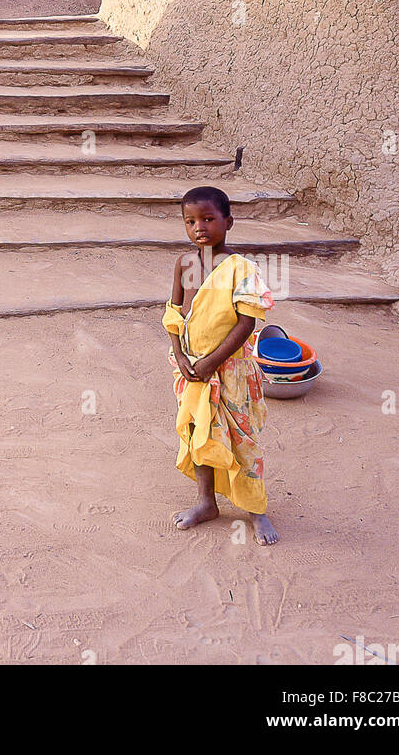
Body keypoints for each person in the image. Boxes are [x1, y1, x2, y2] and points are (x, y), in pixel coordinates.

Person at [162, 185, 279, 545]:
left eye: (209, 219)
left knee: (242, 442)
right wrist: (181, 356)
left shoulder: (241, 269)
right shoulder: (185, 265)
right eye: (191, 221)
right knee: (199, 436)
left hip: (230, 373)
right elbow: (174, 313)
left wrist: (213, 361)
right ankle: (206, 503)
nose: (200, 227)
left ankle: (256, 511)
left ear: (228, 222)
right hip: (193, 372)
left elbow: (247, 323)